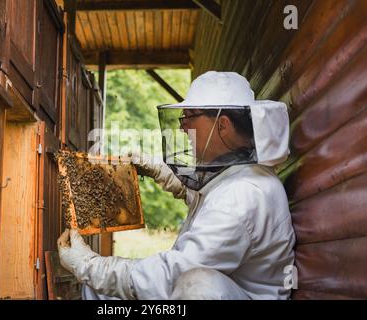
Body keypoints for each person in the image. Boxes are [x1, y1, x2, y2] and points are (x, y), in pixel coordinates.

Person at [57, 71, 296, 300]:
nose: (182, 126)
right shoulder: (242, 176)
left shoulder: (242, 195)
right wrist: (161, 172)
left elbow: (172, 276)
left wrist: (88, 265)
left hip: (215, 292)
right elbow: (205, 199)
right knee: (99, 292)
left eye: (190, 115)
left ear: (221, 125)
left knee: (198, 286)